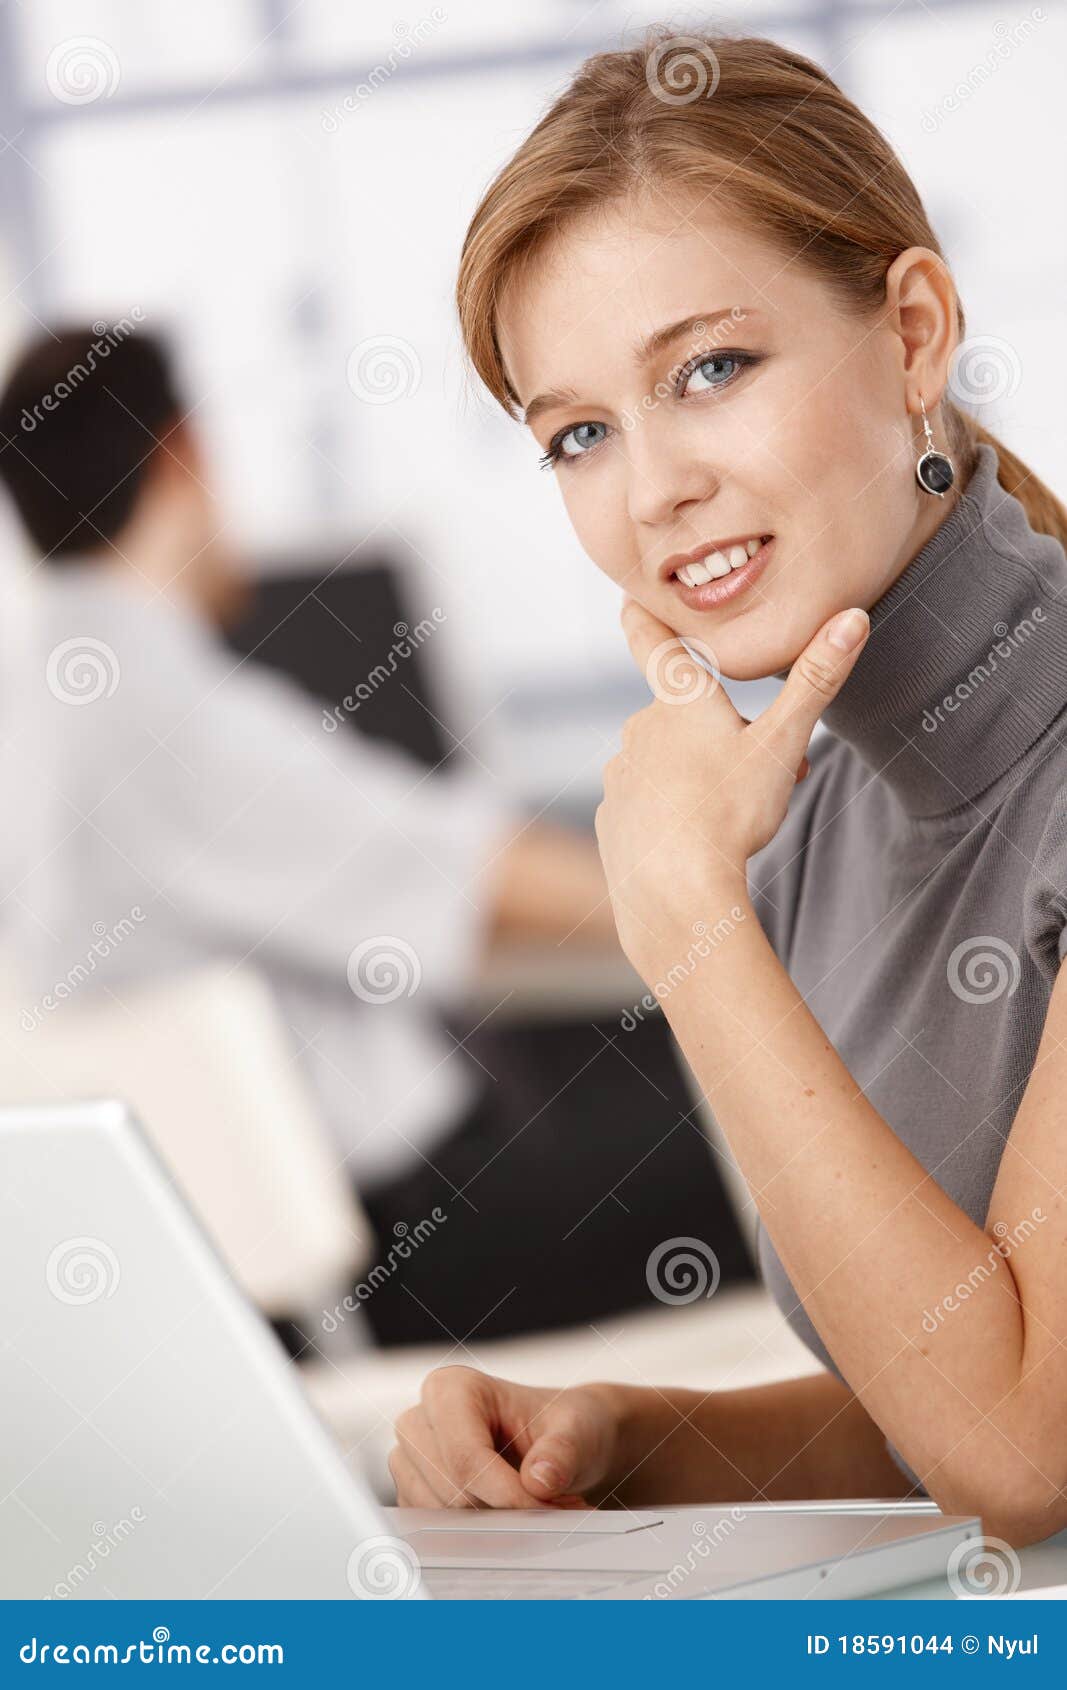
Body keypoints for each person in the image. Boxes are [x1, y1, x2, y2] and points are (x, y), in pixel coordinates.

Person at [390, 30, 1067, 1547]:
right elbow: (926, 1402)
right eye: (578, 435)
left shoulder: (740, 864)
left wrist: (688, 919)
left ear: (911, 333)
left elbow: (1024, 1451)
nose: (652, 493)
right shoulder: (812, 828)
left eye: (709, 370)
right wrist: (627, 1435)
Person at [0, 324, 724, 1349]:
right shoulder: (156, 709)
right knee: (781, 1122)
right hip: (404, 1248)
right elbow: (493, 880)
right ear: (182, 452)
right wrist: (746, 892)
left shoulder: (41, 695)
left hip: (209, 1276)